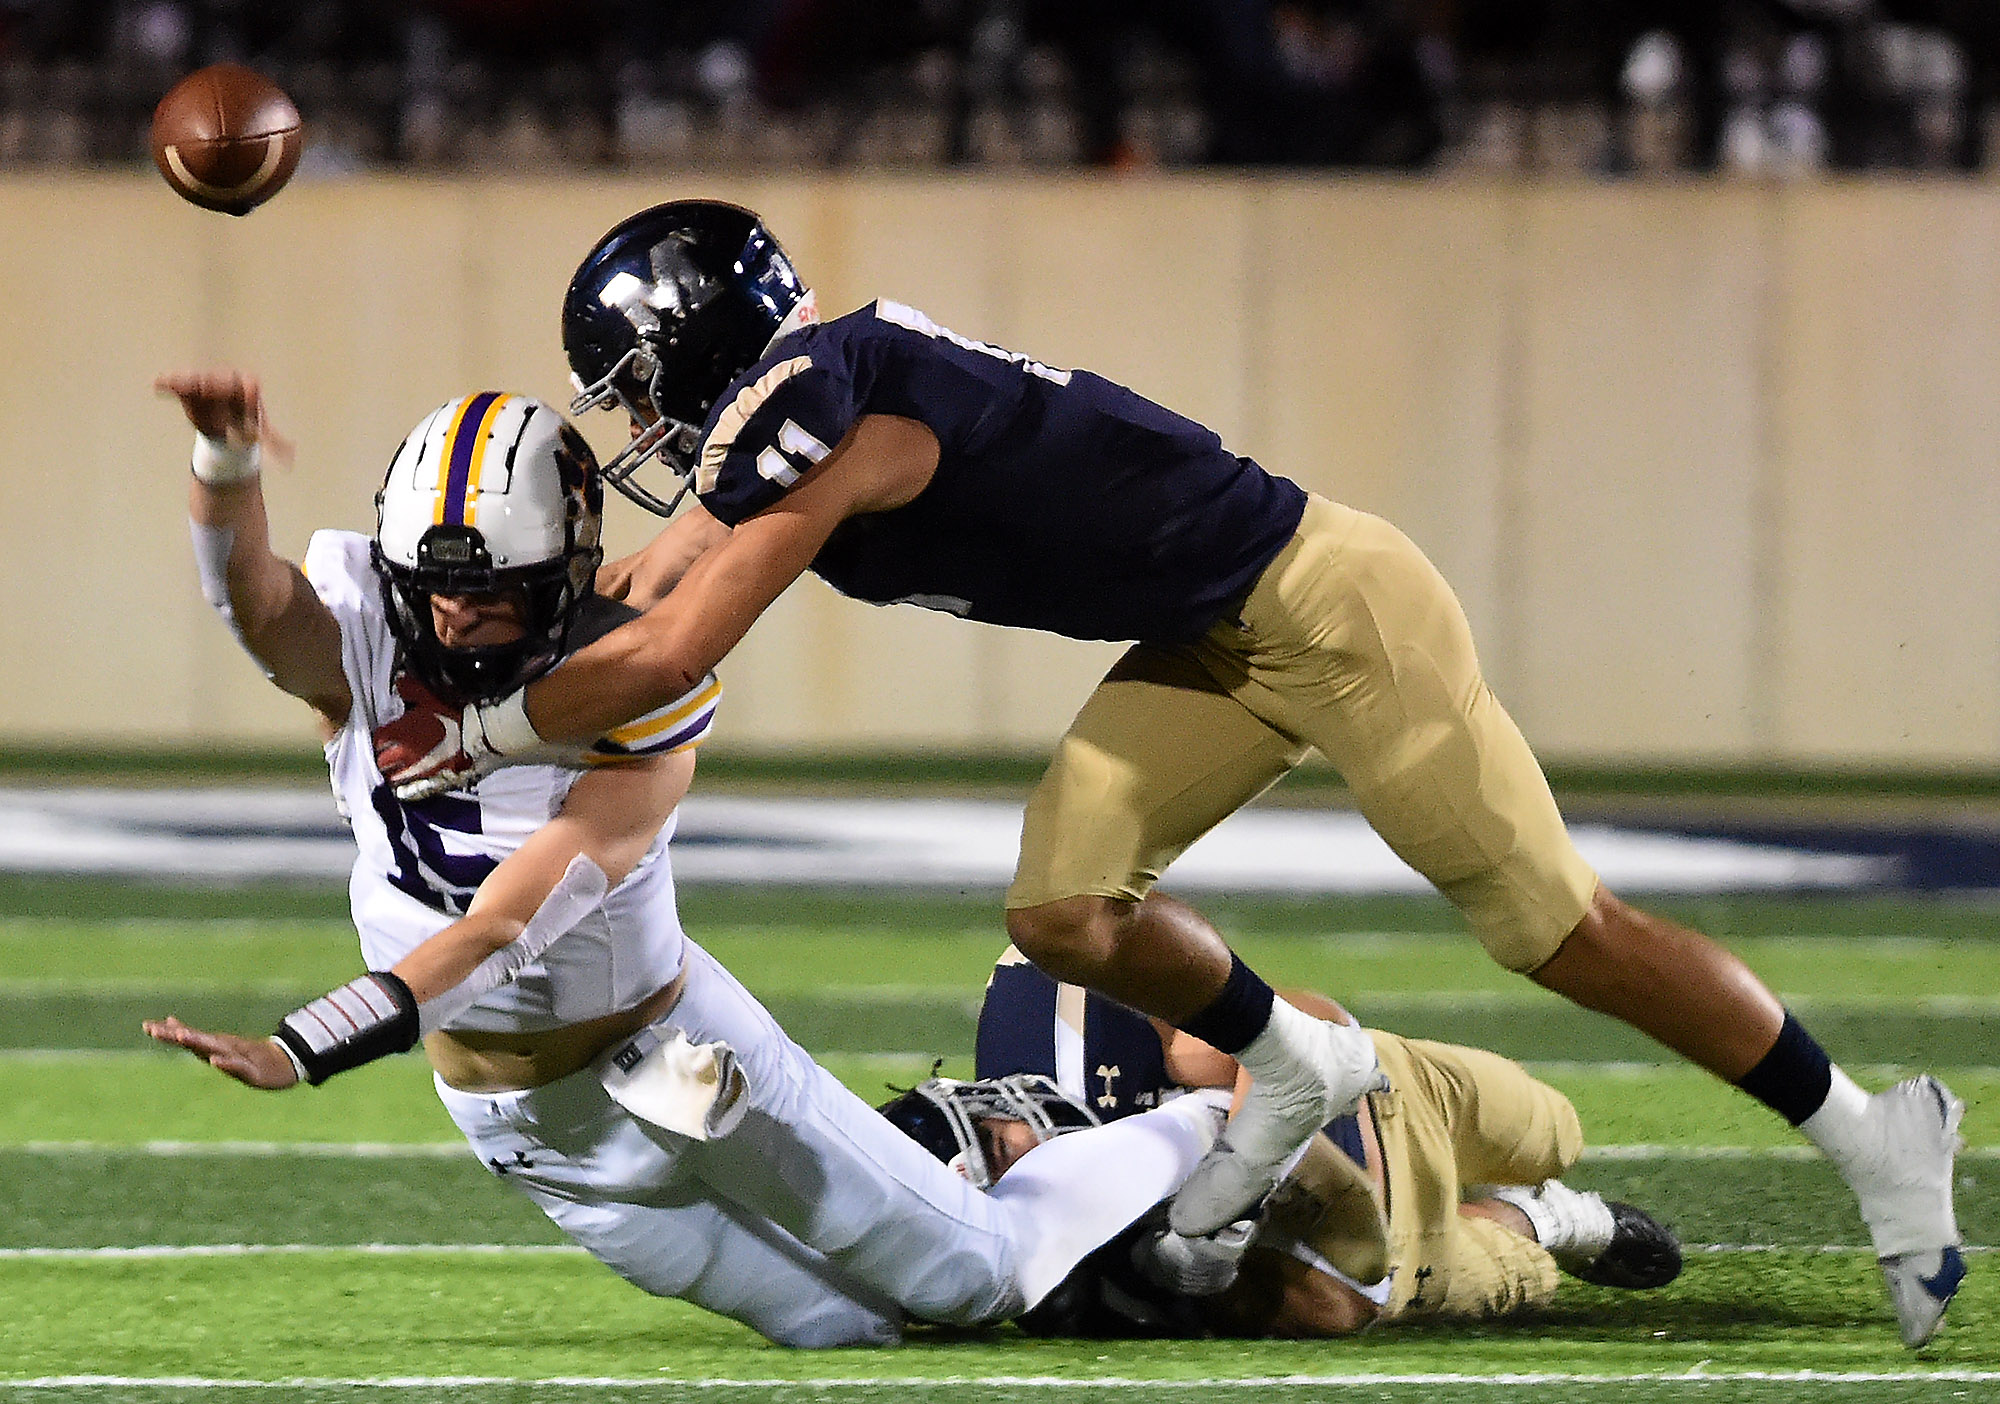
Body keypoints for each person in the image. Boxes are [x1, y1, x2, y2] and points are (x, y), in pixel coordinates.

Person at [368, 200, 1965, 1347]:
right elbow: (651, 583)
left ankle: (1867, 1130)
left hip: (1330, 607)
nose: (636, 427)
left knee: (1555, 931)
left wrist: (472, 729)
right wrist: (455, 619)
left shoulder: (816, 402)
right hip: (1213, 633)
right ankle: (1296, 1065)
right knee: (1064, 908)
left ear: (701, 350)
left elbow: (667, 651)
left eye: (636, 387)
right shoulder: (794, 402)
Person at [142, 370, 1233, 1349]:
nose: (456, 618)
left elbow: (503, 927)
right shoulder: (365, 639)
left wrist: (306, 1044)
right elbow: (255, 601)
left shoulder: (635, 679)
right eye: (435, 589)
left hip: (673, 1060)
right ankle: (972, 1166)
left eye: (492, 593)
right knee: (845, 1329)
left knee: (976, 1280)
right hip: (518, 1125)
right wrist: (224, 467)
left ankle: (1212, 1126)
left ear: (565, 570)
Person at [878, 949, 1682, 1337]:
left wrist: (1238, 1164)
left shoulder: (1048, 1014)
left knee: (1557, 1129)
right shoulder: (1076, 1280)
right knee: (1513, 1266)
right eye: (1001, 1167)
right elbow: (1343, 1304)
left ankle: (1534, 1197)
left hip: (1386, 1082)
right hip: (1363, 1229)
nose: (1019, 1146)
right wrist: (1211, 1275)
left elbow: (1312, 1017)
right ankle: (1559, 1222)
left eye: (994, 1138)